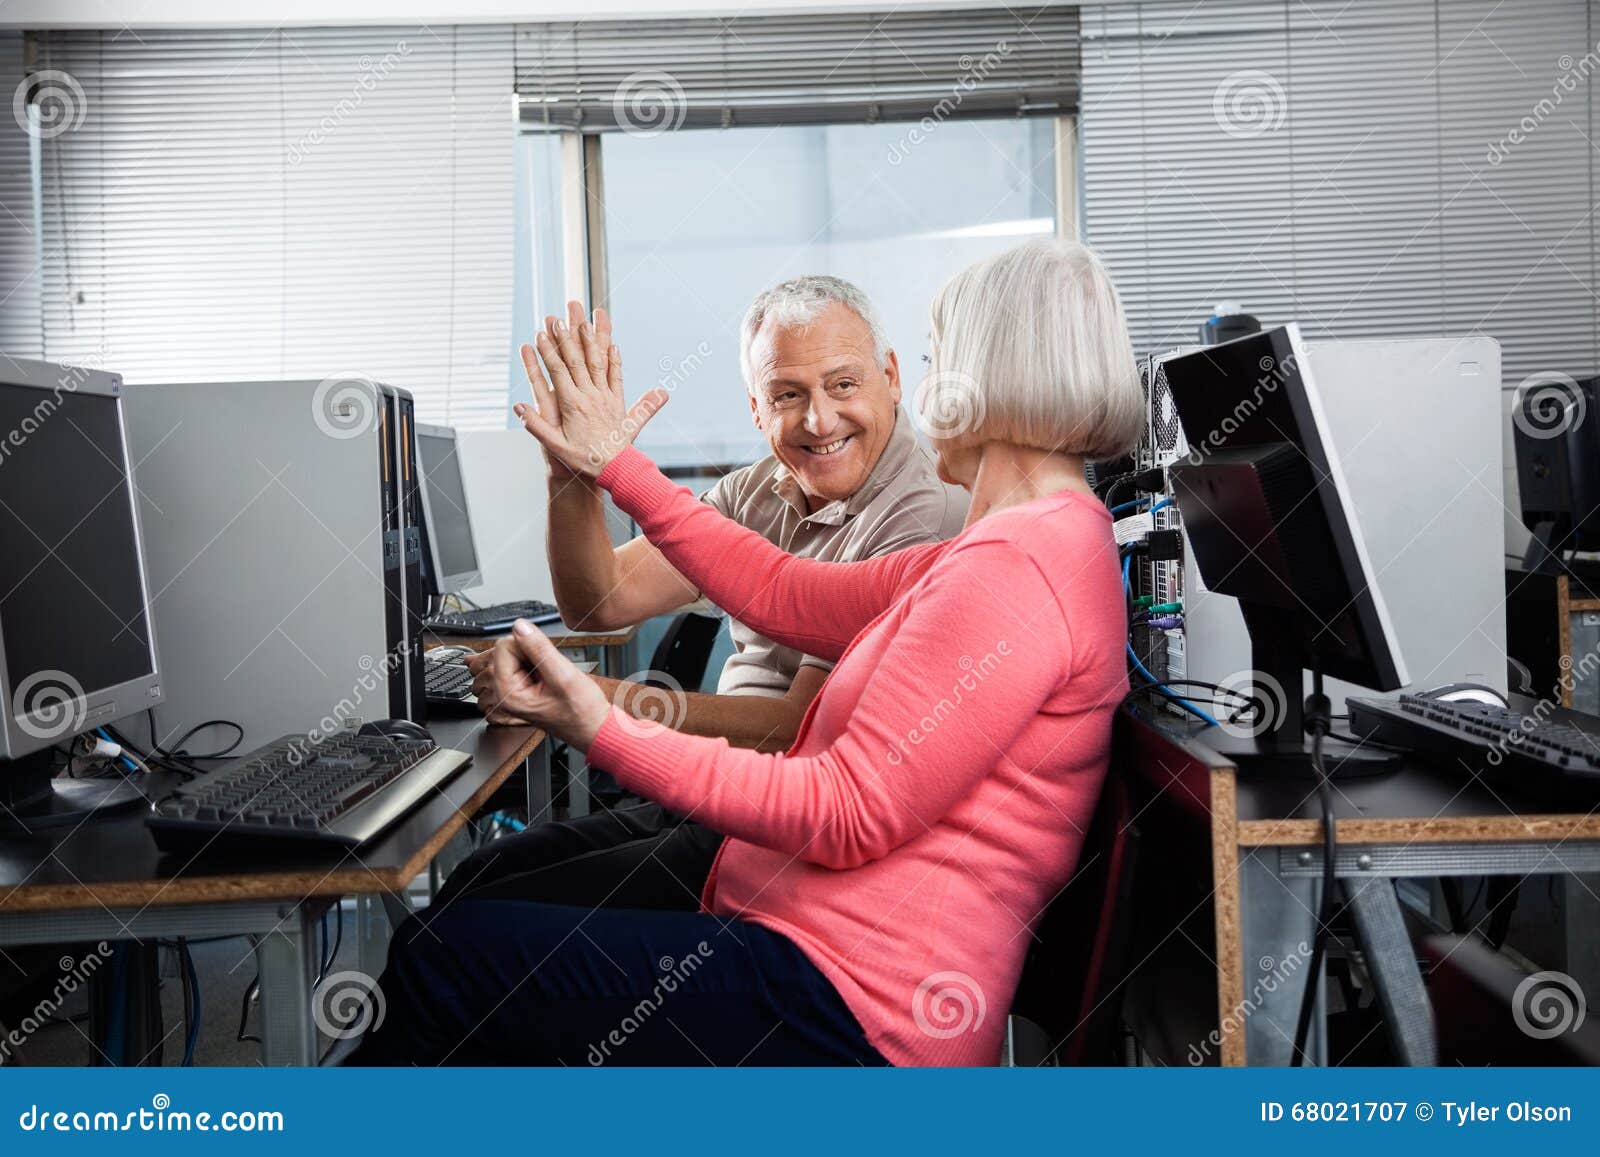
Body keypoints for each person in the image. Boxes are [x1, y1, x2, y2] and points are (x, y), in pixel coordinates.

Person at [353, 238, 1143, 1067]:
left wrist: (598, 721)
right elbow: (783, 592)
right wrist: (612, 467)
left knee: (443, 959)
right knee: (465, 940)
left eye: (940, 357)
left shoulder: (1014, 567)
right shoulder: (1025, 541)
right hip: (812, 940)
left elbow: (848, 810)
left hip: (855, 1004)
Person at [432, 278, 965, 915]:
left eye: (844, 385)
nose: (819, 420)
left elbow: (793, 730)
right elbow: (599, 604)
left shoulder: (920, 509)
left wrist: (580, 698)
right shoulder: (757, 490)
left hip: (777, 834)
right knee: (475, 877)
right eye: (788, 395)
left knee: (476, 920)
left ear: (893, 377)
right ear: (756, 409)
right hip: (708, 800)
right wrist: (571, 472)